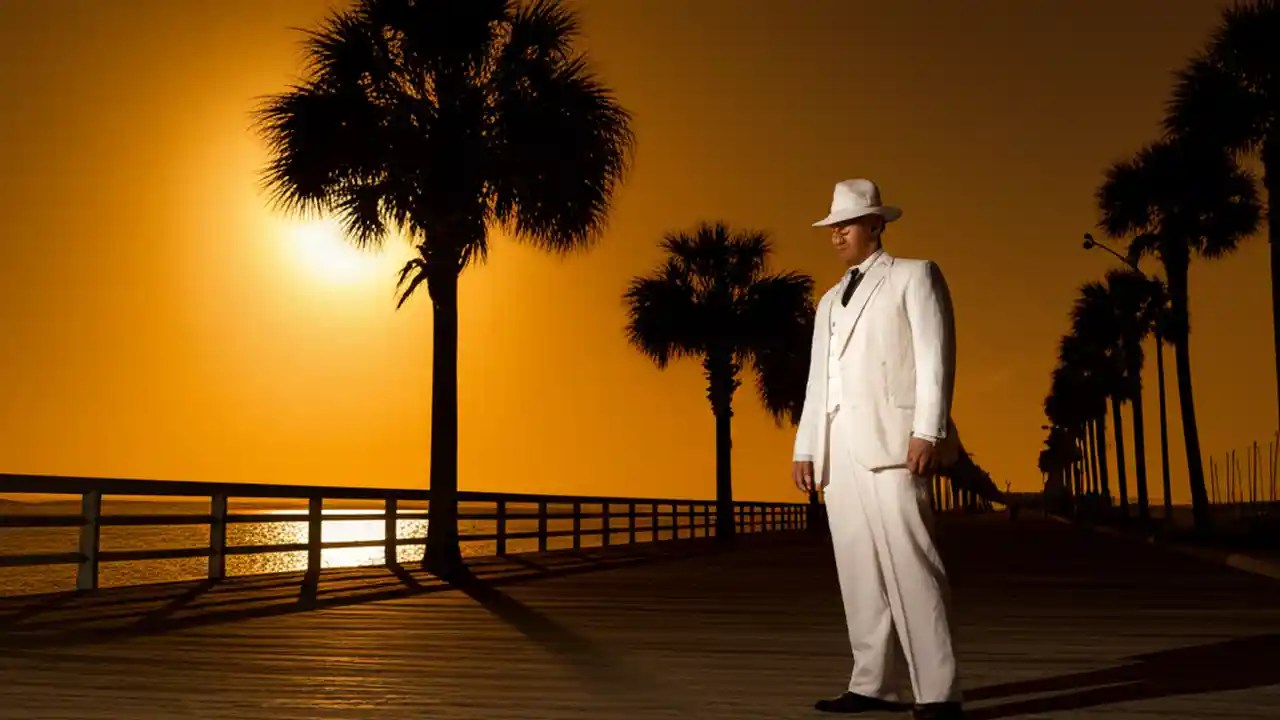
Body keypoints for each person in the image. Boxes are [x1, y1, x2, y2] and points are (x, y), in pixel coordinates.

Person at [791, 178, 964, 719]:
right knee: (858, 572)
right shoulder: (827, 302)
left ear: (876, 225)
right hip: (838, 450)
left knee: (914, 567)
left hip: (895, 443)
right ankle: (873, 684)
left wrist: (929, 430)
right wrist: (806, 448)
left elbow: (936, 357)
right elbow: (817, 380)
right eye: (832, 226)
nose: (837, 234)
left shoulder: (915, 275)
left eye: (846, 224)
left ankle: (937, 693)